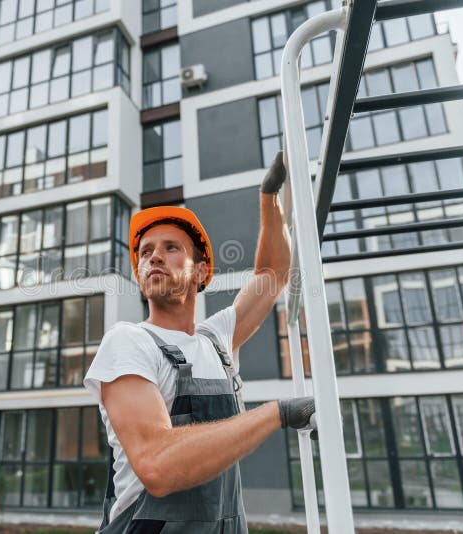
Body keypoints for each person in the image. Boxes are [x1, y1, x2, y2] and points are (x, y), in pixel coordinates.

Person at [83, 150, 316, 533]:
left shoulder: (216, 340)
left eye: (171, 248)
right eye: (146, 252)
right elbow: (156, 465)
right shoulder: (128, 342)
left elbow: (273, 272)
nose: (154, 257)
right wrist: (277, 413)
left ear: (201, 271)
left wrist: (269, 195)